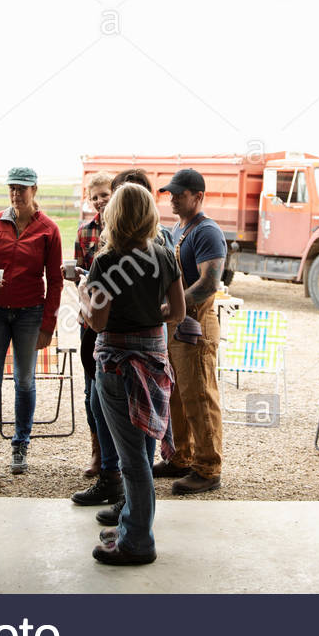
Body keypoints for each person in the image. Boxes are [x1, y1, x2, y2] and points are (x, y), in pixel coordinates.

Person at [79, 183, 185, 565]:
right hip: (154, 363)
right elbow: (177, 312)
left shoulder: (106, 262)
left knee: (131, 460)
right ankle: (132, 525)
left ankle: (137, 541)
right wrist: (149, 315)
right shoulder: (164, 256)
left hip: (117, 365)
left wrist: (83, 296)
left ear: (115, 216)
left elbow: (98, 321)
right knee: (141, 451)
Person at [0, 166, 63, 485]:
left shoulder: (48, 229)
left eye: (22, 188)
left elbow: (55, 280)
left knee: (24, 381)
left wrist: (48, 325)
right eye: (12, 187)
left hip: (29, 314)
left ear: (34, 190)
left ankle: (20, 445)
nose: (16, 193)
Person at [156, 167, 227, 494]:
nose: (172, 199)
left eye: (179, 194)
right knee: (178, 396)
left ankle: (208, 468)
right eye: (170, 193)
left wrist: (173, 305)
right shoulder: (177, 229)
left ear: (198, 196)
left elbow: (209, 283)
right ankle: (182, 457)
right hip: (177, 325)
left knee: (199, 396)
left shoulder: (207, 232)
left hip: (196, 325)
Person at [68, 171, 114, 480]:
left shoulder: (122, 228)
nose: (99, 201)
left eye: (104, 195)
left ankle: (117, 455)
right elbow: (81, 277)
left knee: (114, 389)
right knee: (90, 390)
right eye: (94, 197)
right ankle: (97, 451)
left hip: (116, 320)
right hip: (90, 317)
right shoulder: (84, 232)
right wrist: (75, 277)